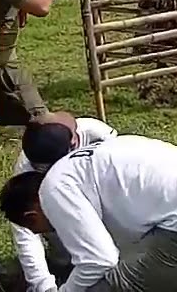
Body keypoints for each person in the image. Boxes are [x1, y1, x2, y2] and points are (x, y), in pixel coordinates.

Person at [0, 135, 177, 292]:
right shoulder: (79, 166)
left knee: (106, 287)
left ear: (32, 215)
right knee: (158, 268)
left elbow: (100, 260)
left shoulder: (53, 191)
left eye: (39, 231)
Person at [11, 113, 118, 292]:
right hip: (67, 250)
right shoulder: (28, 165)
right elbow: (26, 230)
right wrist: (43, 284)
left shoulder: (99, 137)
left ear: (73, 144)